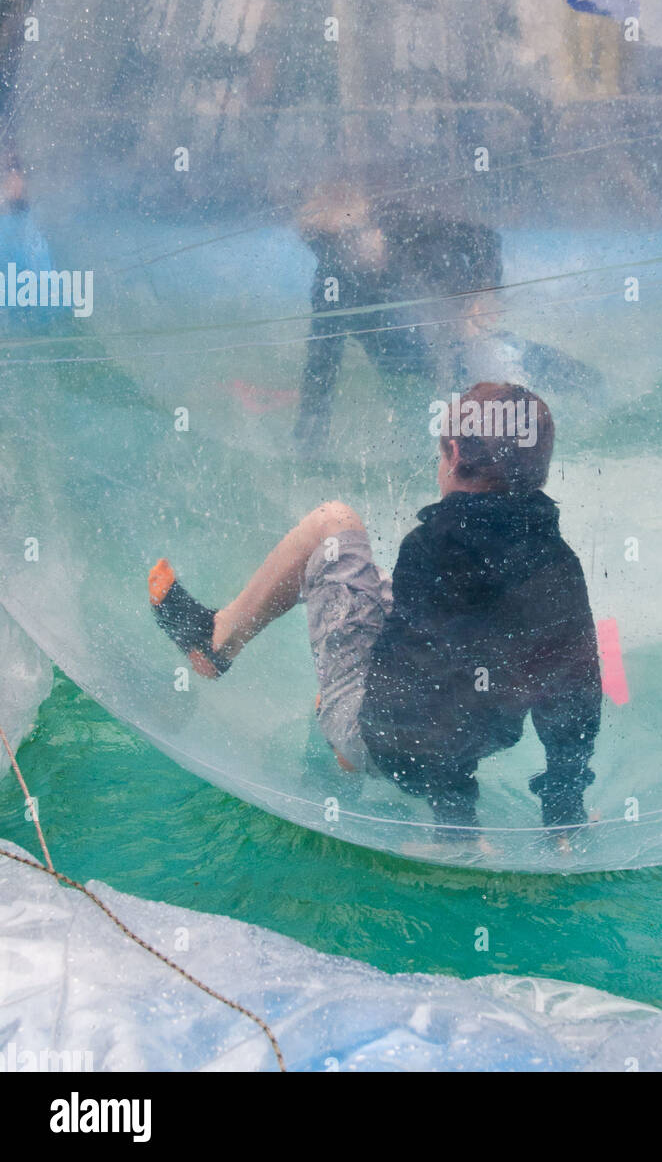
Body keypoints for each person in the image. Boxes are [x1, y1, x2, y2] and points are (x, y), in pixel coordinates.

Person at [150, 381, 603, 845]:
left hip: (390, 743)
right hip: (482, 736)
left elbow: (426, 702)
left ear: (451, 452)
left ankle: (219, 639)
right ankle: (345, 743)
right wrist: (564, 812)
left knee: (334, 524)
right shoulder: (557, 562)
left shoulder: (432, 548)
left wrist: (456, 824)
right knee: (380, 589)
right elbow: (575, 689)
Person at [293, 184, 503, 460]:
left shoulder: (413, 229)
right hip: (401, 363)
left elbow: (486, 239)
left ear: (373, 228)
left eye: (338, 241)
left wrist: (482, 293)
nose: (332, 256)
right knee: (416, 432)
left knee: (491, 388)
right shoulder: (331, 283)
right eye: (319, 247)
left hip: (454, 327)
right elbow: (321, 362)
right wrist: (310, 440)